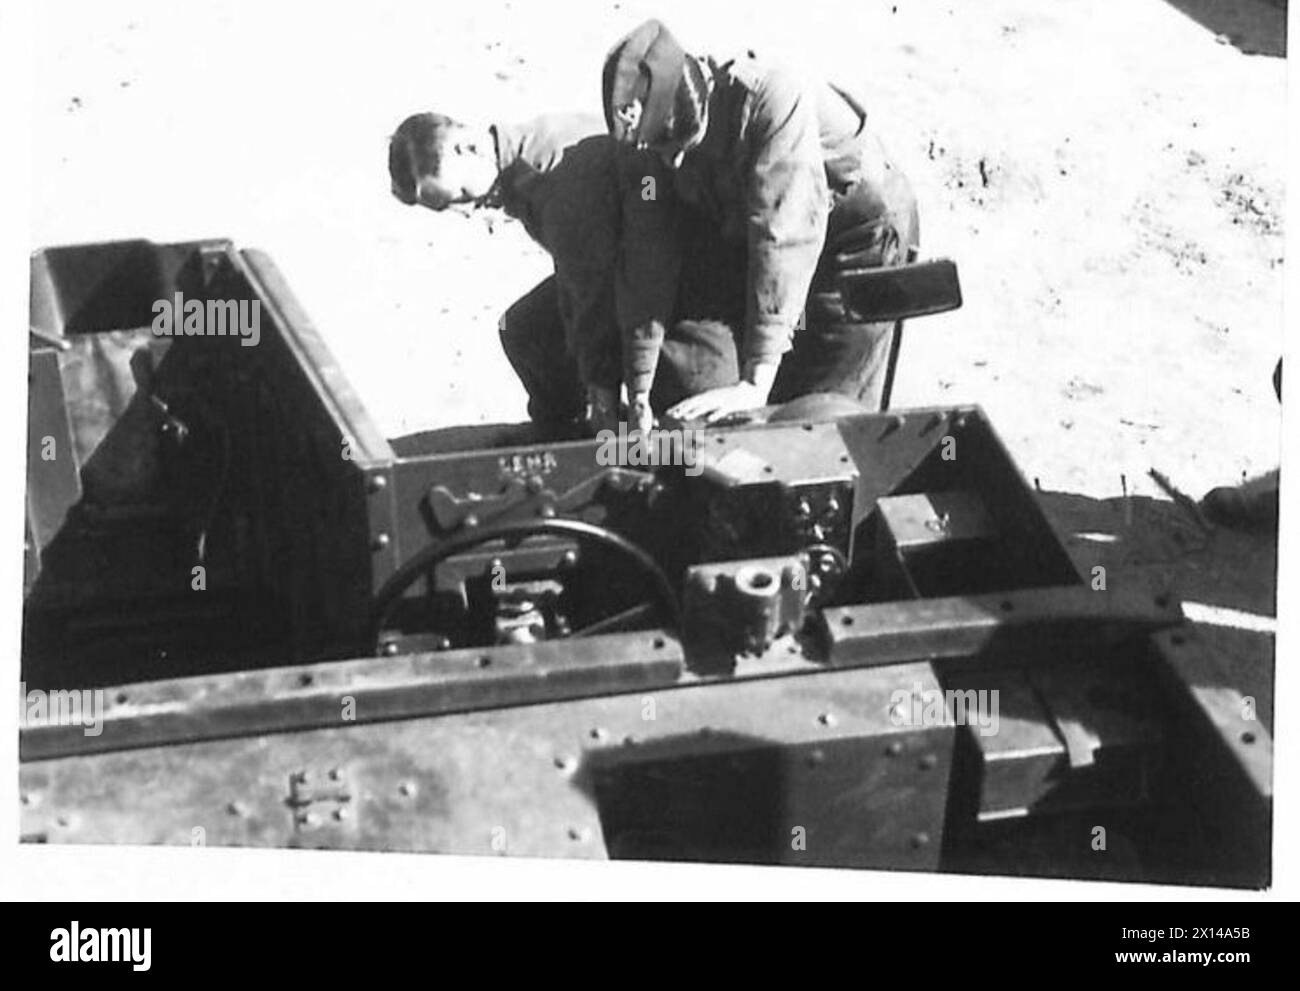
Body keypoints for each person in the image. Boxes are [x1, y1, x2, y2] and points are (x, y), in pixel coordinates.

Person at [601, 19, 920, 424]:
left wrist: (754, 383)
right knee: (731, 392)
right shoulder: (647, 156)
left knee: (827, 414)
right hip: (747, 227)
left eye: (682, 148)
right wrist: (640, 387)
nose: (672, 164)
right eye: (661, 151)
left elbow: (783, 235)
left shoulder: (772, 98)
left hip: (855, 235)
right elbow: (649, 253)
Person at [388, 111, 677, 436]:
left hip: (674, 280)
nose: (469, 212)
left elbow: (593, 299)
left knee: (673, 388)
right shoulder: (525, 152)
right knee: (522, 328)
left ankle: (606, 440)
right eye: (449, 208)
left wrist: (603, 393)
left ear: (468, 148)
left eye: (464, 197)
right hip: (619, 268)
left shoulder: (550, 182)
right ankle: (564, 430)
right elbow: (578, 276)